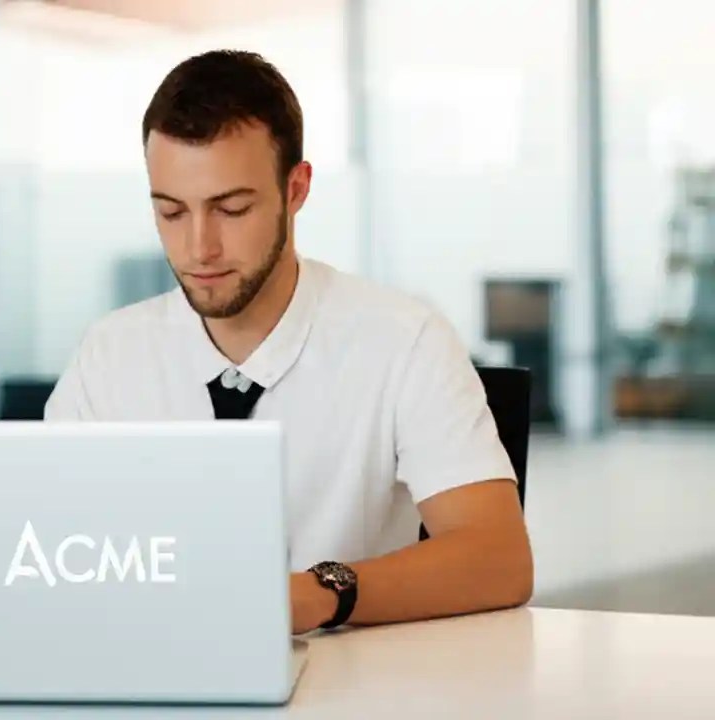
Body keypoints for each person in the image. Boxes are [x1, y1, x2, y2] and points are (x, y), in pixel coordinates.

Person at [44, 50, 533, 634]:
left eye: (232, 208)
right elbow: (45, 551)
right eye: (171, 212)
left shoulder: (405, 341)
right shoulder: (109, 355)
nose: (199, 248)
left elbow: (498, 560)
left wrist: (318, 595)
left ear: (296, 189)